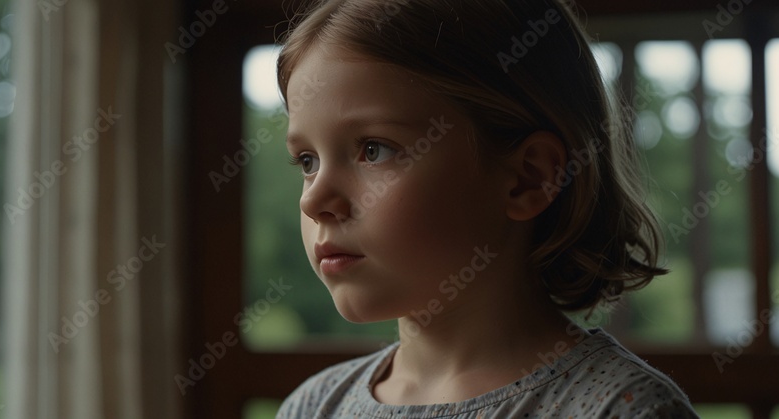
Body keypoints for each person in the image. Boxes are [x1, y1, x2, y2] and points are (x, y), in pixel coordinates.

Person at [274, 0, 698, 417]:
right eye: (307, 162)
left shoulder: (623, 410)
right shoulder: (313, 407)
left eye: (374, 149)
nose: (313, 201)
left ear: (528, 178)